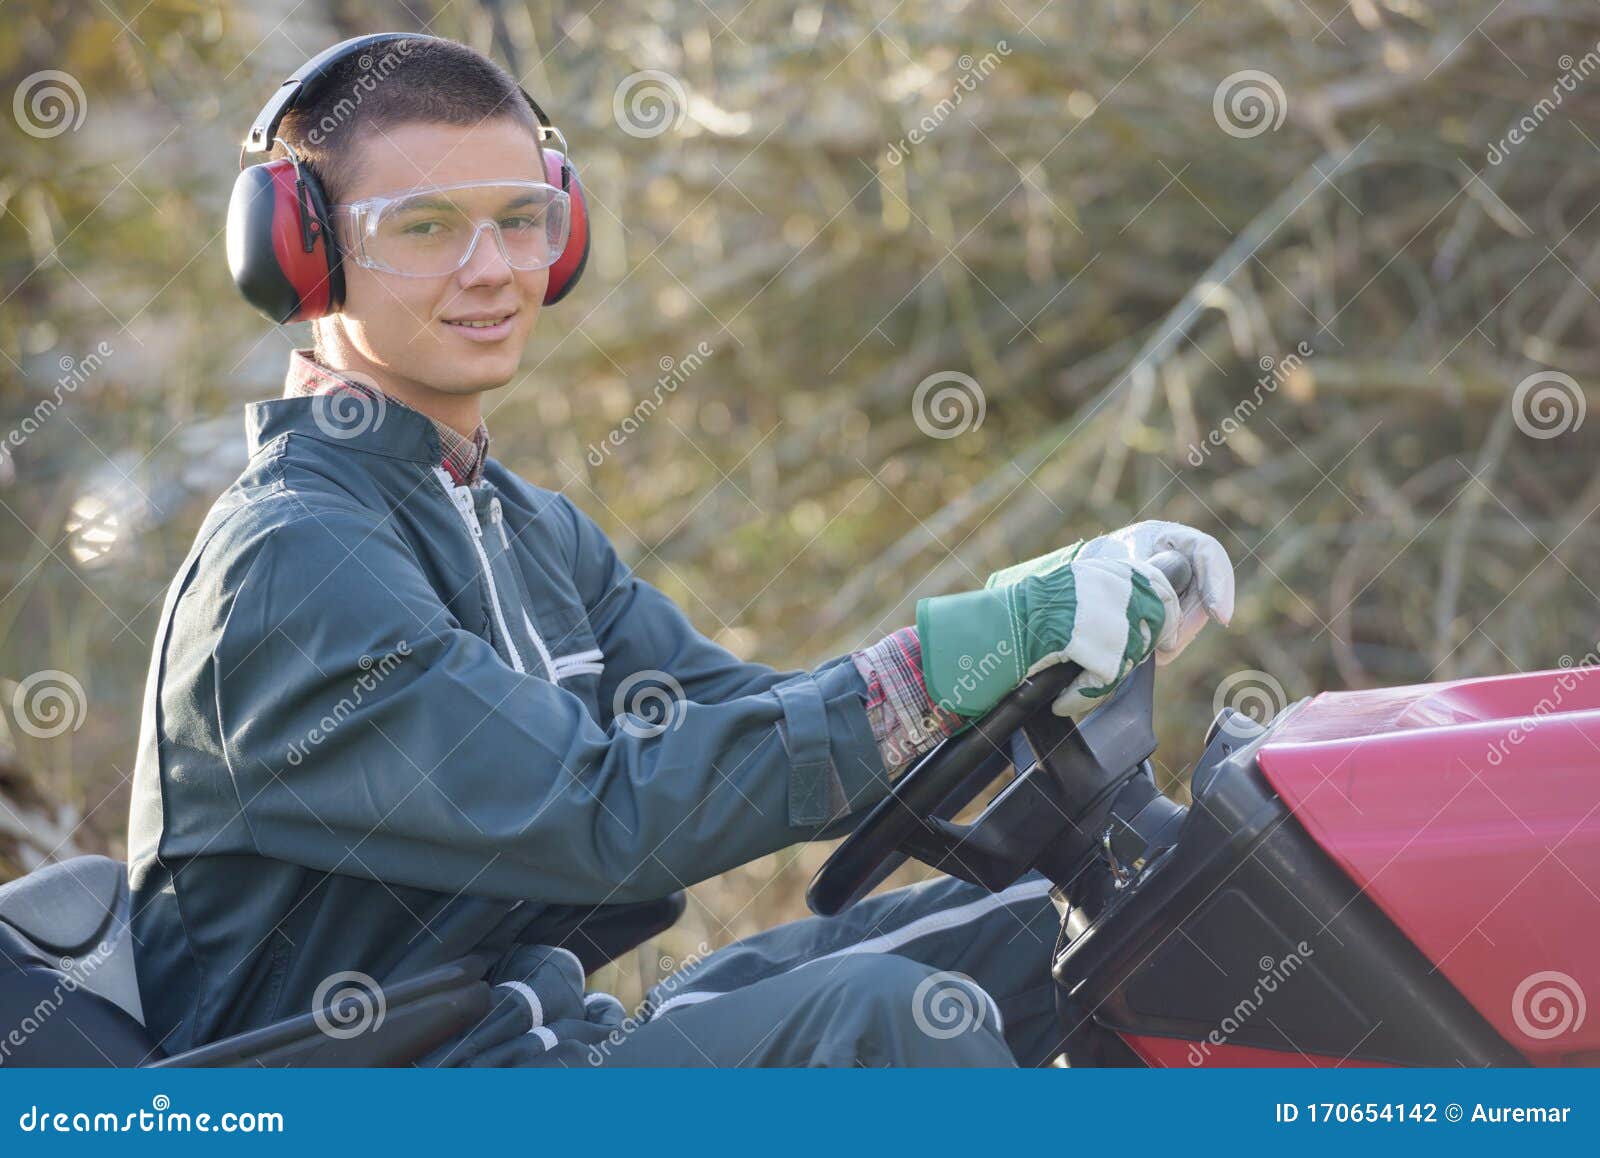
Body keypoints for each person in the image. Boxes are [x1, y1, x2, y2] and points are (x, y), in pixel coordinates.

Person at [126, 33, 1234, 1067]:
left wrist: (1027, 625)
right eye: (423, 227)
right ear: (302, 255)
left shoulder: (523, 526)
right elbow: (601, 812)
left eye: (520, 220)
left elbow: (755, 730)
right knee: (882, 1033)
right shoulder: (290, 560)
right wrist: (943, 662)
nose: (492, 269)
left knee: (1062, 941)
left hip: (540, 1038)